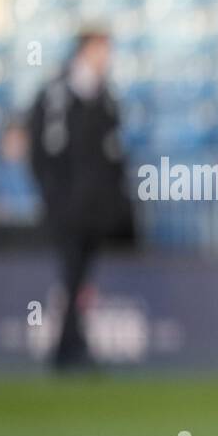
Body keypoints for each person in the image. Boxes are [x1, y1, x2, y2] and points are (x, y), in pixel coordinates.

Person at [27, 28, 133, 371]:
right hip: (68, 207)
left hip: (95, 208)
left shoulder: (104, 96)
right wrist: (55, 198)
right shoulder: (58, 93)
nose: (107, 58)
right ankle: (67, 350)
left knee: (79, 278)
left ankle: (71, 346)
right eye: (102, 50)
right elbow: (43, 151)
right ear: (85, 51)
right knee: (73, 275)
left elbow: (112, 155)